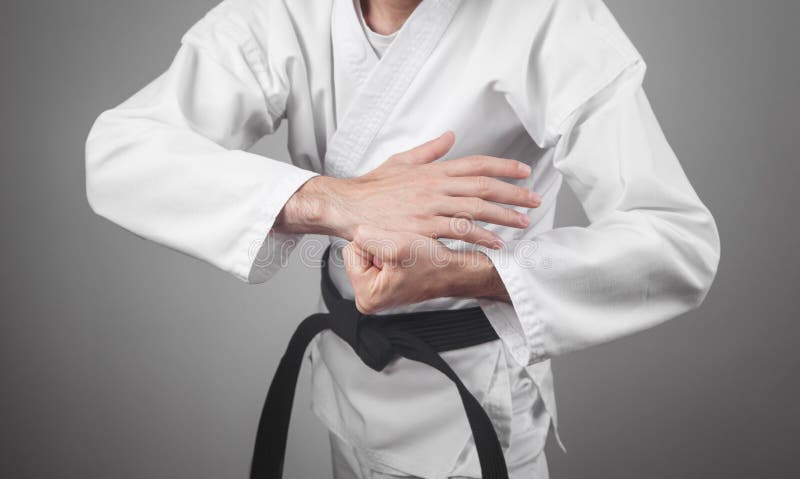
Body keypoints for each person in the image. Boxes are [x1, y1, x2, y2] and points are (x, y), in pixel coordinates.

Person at [85, 0, 721, 477]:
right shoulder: (284, 10)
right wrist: (340, 203)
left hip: (473, 415)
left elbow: (676, 242)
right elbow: (120, 154)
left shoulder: (548, 16)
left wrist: (462, 272)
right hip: (351, 387)